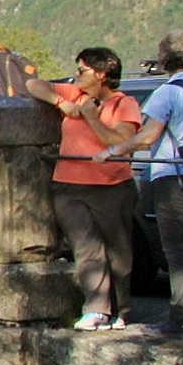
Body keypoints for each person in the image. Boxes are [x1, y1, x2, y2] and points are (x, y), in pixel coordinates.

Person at [101, 31, 183, 337]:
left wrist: (111, 151)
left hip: (172, 178)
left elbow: (148, 136)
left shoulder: (168, 92)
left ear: (165, 57)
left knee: (176, 251)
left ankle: (178, 320)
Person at [31, 48, 144, 330]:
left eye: (82, 71)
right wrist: (60, 102)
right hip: (69, 185)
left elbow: (119, 141)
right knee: (86, 249)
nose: (76, 75)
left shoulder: (124, 104)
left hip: (110, 186)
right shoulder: (76, 94)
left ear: (101, 74)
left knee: (117, 252)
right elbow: (32, 84)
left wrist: (92, 118)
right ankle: (96, 309)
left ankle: (120, 308)